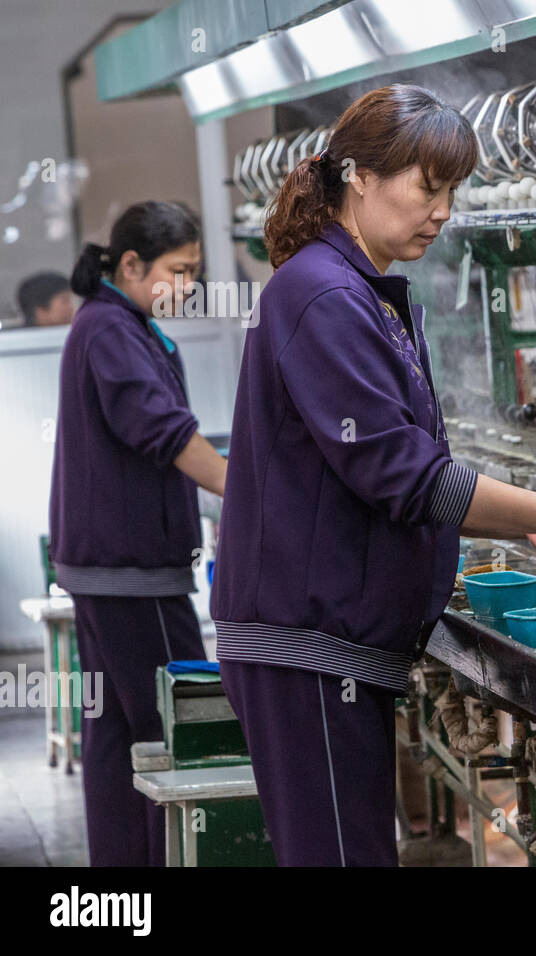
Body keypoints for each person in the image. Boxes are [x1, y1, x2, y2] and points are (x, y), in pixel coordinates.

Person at [211, 85, 536, 866]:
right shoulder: (320, 295)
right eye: (428, 186)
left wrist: (528, 516)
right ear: (359, 176)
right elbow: (406, 478)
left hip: (333, 641)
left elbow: (412, 467)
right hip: (308, 646)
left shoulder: (368, 294)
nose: (444, 211)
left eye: (453, 191)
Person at [50, 201, 229, 866]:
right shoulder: (111, 330)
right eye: (178, 271)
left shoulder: (120, 324)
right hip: (130, 572)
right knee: (175, 726)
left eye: (194, 273)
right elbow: (164, 430)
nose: (186, 286)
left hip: (103, 568)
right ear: (131, 264)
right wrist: (242, 491)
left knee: (115, 732)